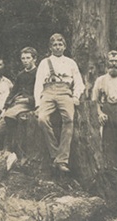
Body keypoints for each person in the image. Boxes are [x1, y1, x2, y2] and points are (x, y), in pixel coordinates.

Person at [35, 34, 85, 173]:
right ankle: (55, 154)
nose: (58, 47)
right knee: (42, 119)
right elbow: (38, 84)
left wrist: (76, 96)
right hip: (48, 92)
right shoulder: (44, 62)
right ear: (50, 47)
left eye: (60, 44)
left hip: (65, 91)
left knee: (69, 119)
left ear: (64, 46)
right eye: (55, 45)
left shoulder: (71, 63)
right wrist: (38, 104)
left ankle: (62, 159)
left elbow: (79, 82)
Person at [0, 47, 38, 151]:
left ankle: (12, 149)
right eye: (23, 58)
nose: (25, 61)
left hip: (30, 104)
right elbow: (13, 92)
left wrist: (28, 100)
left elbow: (41, 92)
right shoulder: (21, 75)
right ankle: (0, 152)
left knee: (10, 118)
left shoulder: (39, 73)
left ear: (35, 59)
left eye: (28, 58)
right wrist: (5, 108)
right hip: (17, 104)